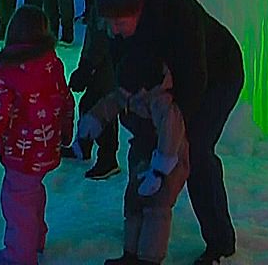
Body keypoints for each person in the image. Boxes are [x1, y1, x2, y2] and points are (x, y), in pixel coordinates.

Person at [96, 0, 244, 265]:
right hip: (163, 85)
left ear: (137, 11)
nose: (114, 31)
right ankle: (137, 243)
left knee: (196, 151)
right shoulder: (115, 20)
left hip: (217, 74)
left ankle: (220, 244)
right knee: (144, 150)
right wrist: (139, 126)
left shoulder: (177, 12)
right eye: (109, 24)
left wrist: (172, 135)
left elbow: (194, 82)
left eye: (120, 23)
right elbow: (121, 83)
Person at [0, 6, 75, 265]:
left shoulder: (5, 73)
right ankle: (35, 238)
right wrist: (66, 128)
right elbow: (64, 99)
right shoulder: (52, 64)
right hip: (46, 149)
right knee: (33, 193)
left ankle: (19, 255)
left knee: (17, 202)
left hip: (21, 152)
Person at [79, 49, 188, 265]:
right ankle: (130, 253)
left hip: (167, 159)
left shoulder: (161, 101)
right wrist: (95, 119)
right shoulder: (129, 87)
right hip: (141, 150)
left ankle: (149, 258)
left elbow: (171, 136)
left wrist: (159, 171)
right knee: (134, 201)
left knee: (156, 207)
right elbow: (113, 102)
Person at [64, 16, 122, 180]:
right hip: (101, 56)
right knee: (89, 101)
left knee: (102, 104)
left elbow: (101, 34)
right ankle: (83, 146)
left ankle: (108, 158)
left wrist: (88, 66)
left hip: (106, 58)